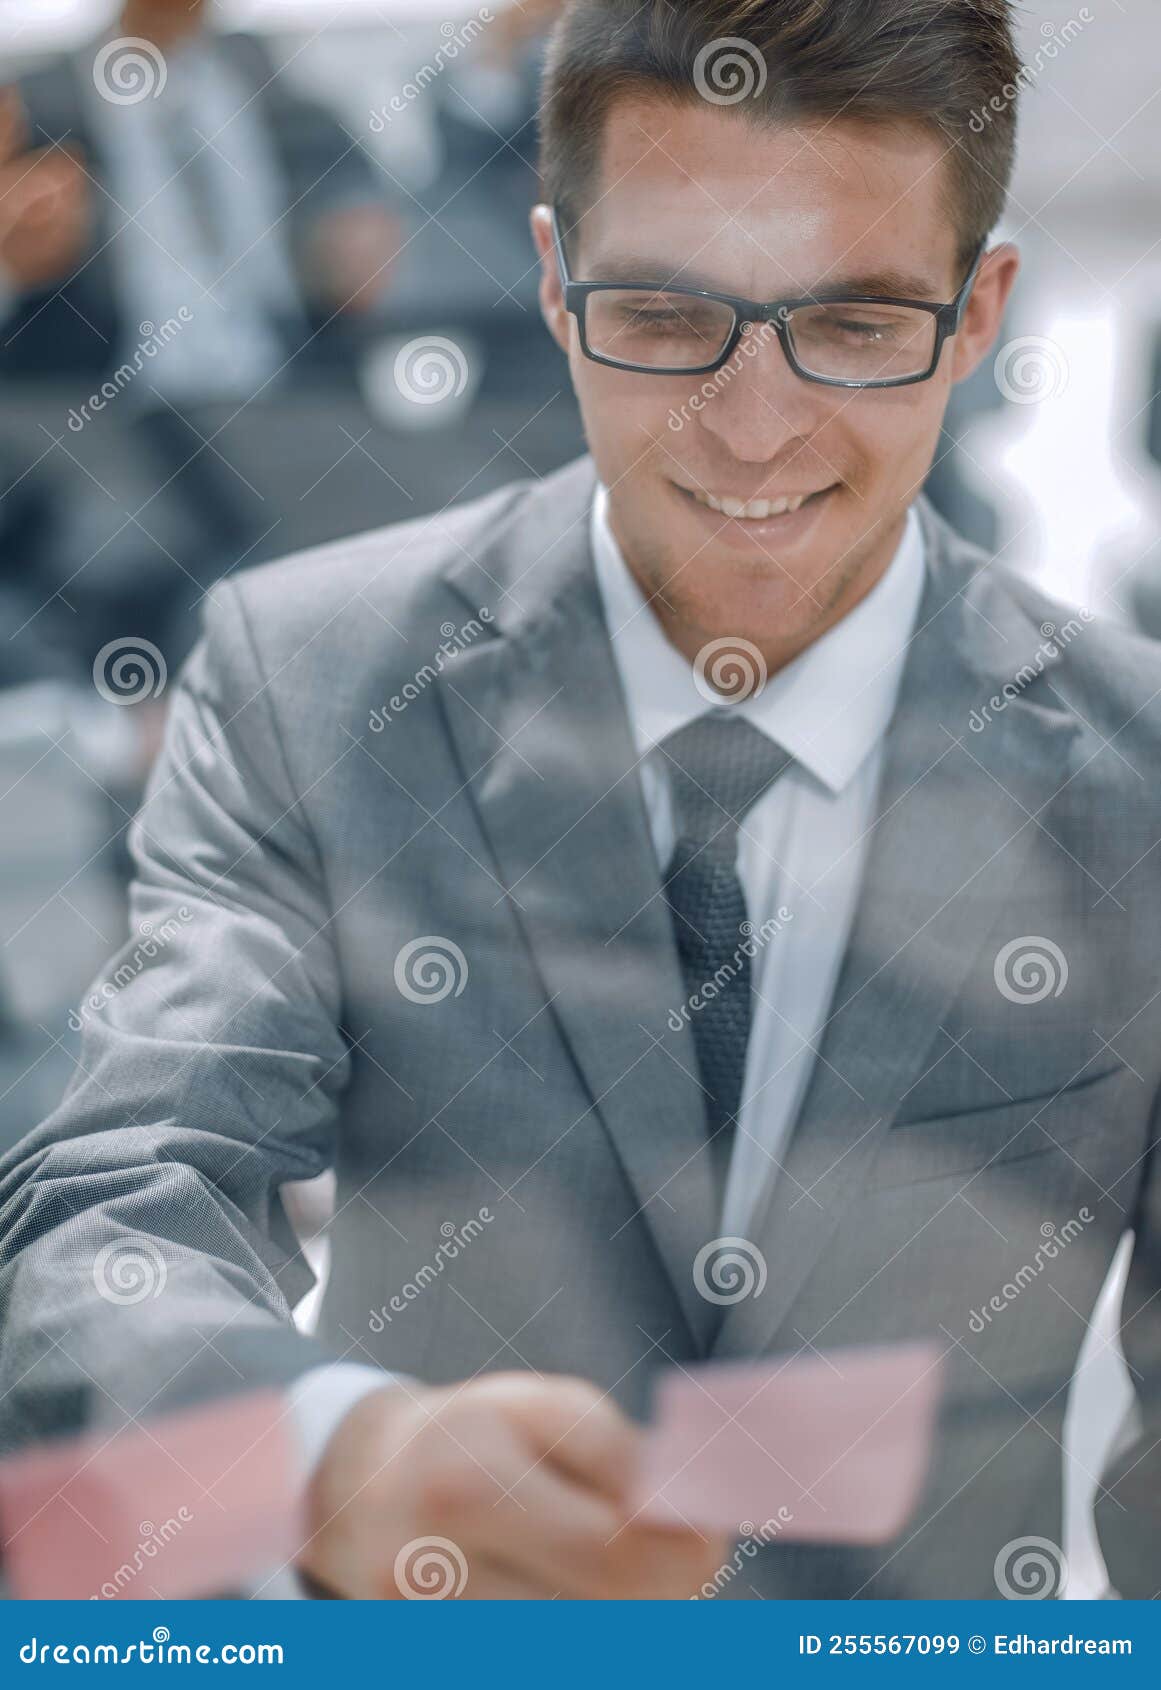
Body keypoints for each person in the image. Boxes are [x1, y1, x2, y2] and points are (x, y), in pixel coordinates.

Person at [1, 0, 1159, 1601]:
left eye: (860, 322)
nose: (753, 427)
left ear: (979, 317)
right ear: (551, 283)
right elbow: (109, 1209)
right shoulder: (314, 682)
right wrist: (325, 1457)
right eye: (670, 320)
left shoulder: (1141, 776)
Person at [0, 0, 400, 391]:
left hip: (278, 387)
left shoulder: (261, 75)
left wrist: (350, 235)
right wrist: (12, 269)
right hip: (105, 403)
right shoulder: (37, 103)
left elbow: (351, 187)